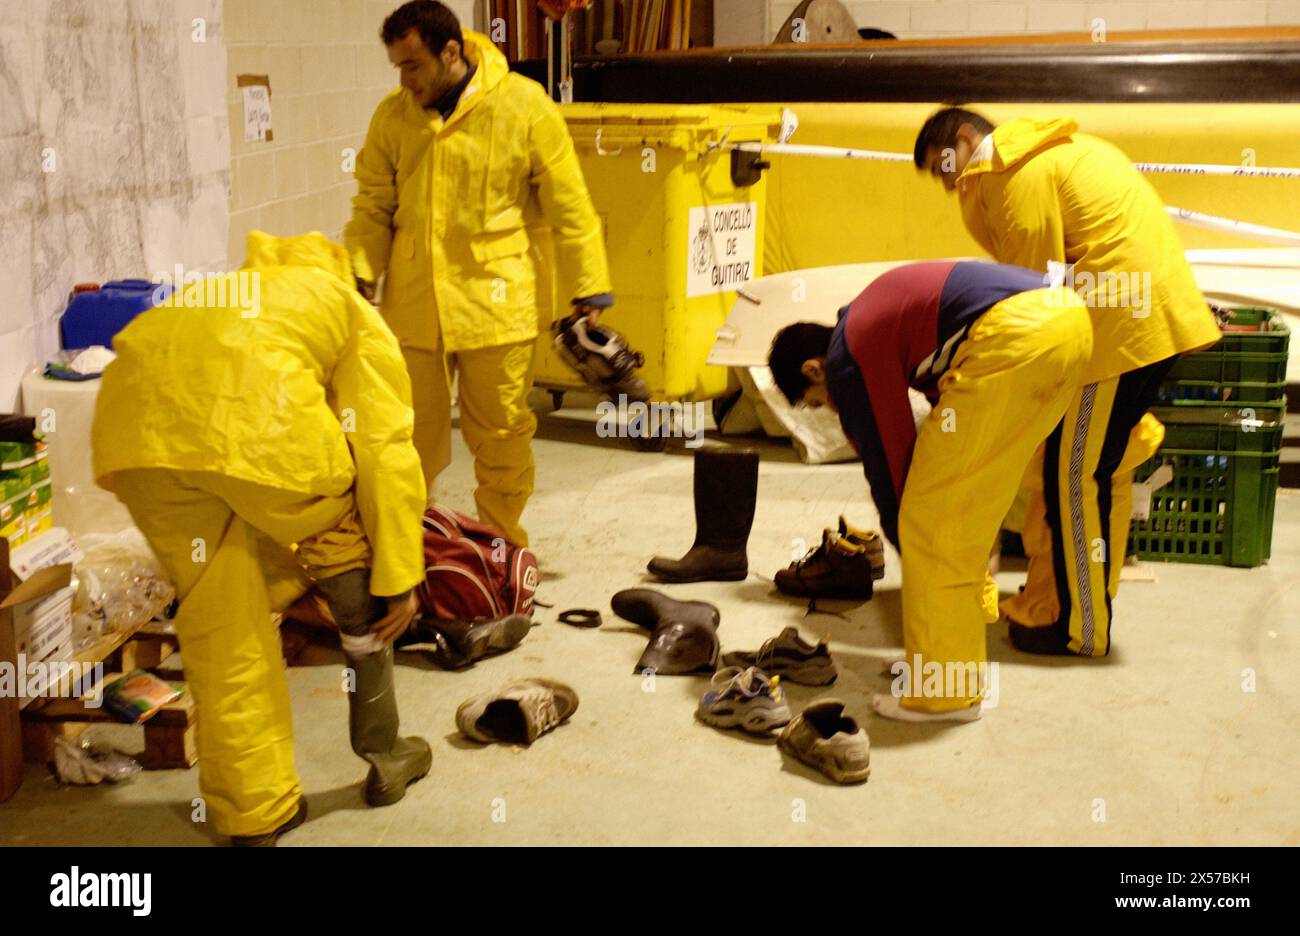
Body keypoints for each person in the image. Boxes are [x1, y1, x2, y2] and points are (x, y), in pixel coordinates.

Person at [92, 232, 432, 846]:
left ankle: (256, 814)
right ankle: (385, 756)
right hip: (260, 434)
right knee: (341, 538)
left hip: (134, 436)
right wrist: (401, 575)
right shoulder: (347, 306)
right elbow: (383, 449)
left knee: (222, 628)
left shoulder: (223, 290)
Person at [913, 107, 1221, 657]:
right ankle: (1071, 600)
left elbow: (1031, 295)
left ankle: (1078, 627)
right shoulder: (1047, 157)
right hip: (1139, 315)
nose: (949, 183)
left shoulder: (1015, 174)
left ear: (965, 138)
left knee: (1075, 474)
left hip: (1116, 328)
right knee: (1098, 465)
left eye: (945, 168)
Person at [768, 261, 1092, 721]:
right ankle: (943, 657)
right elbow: (948, 400)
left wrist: (907, 539)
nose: (831, 408)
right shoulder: (874, 318)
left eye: (820, 402)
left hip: (1016, 336)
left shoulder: (847, 355)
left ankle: (945, 693)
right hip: (1066, 327)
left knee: (928, 519)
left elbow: (887, 452)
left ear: (814, 370)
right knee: (965, 507)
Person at [346, 0, 612, 547]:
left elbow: (569, 200)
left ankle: (499, 548)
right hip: (415, 302)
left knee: (501, 434)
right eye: (397, 67)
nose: (405, 79)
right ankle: (407, 550)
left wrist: (589, 285)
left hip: (497, 302)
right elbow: (373, 205)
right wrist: (359, 273)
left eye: (413, 65)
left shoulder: (522, 105)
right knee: (407, 435)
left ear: (451, 52)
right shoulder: (393, 117)